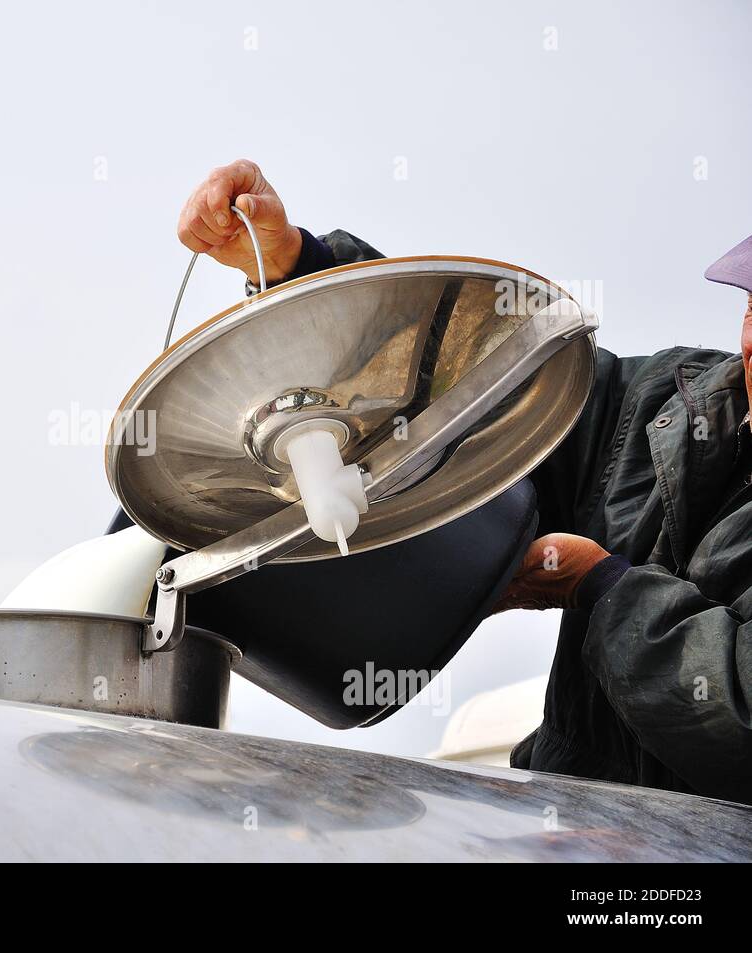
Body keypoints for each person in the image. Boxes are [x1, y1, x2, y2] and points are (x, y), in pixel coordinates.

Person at [178, 159, 752, 804]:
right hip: (573, 823)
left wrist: (601, 588)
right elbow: (486, 391)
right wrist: (295, 262)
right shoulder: (676, 405)